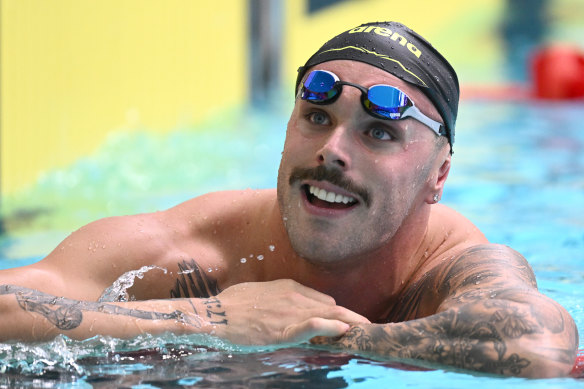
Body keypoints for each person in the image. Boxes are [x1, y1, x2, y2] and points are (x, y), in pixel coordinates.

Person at [0, 21, 578, 378]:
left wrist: (318, 335)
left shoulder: (449, 268)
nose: (331, 151)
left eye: (378, 132)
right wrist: (212, 320)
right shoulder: (193, 250)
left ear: (439, 175)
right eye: (316, 117)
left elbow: (537, 346)